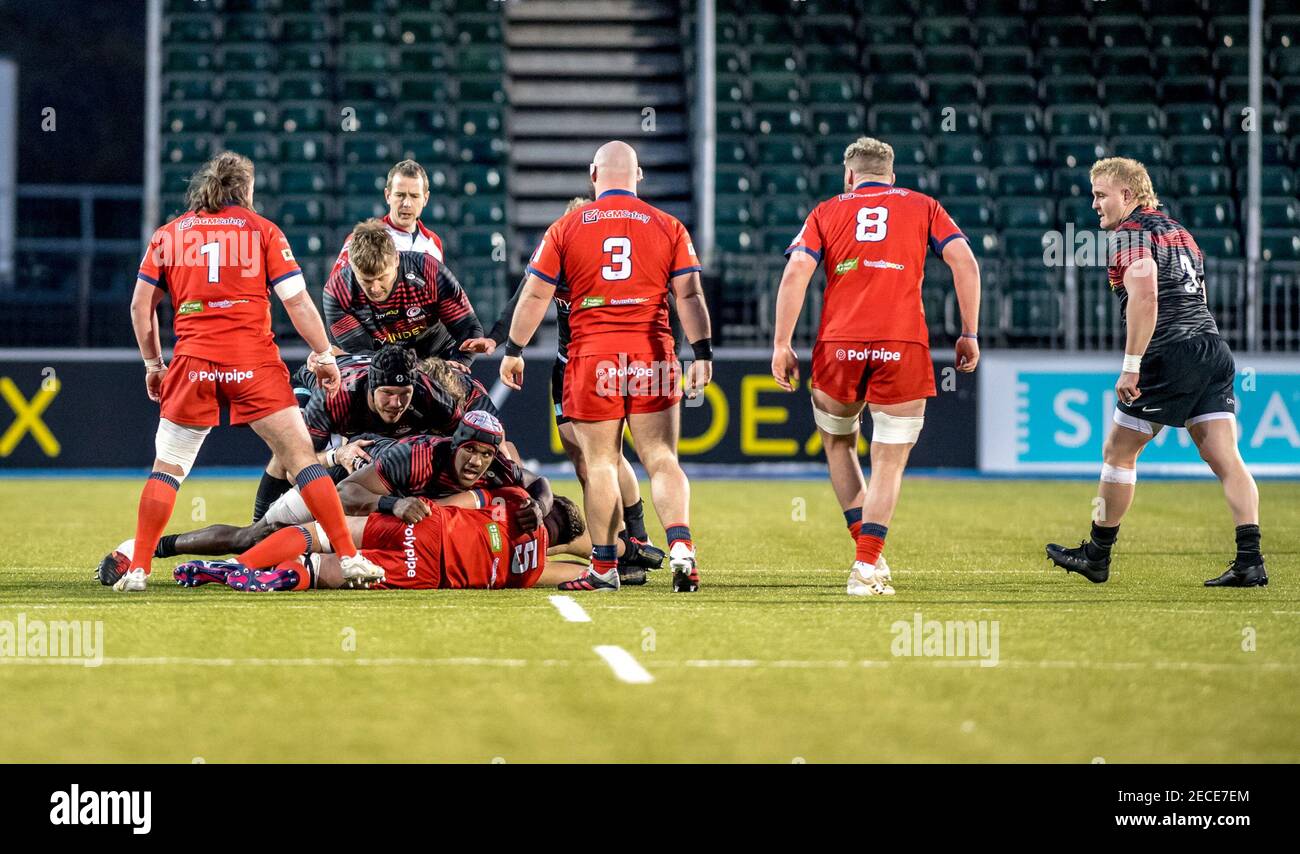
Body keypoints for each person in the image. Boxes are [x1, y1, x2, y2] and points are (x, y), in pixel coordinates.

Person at [100, 150, 384, 591]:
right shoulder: (263, 231)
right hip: (252, 362)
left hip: (192, 363)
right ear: (246, 189)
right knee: (300, 459)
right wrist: (325, 354)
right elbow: (296, 301)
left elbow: (141, 306)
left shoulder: (168, 235)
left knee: (167, 469)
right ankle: (348, 557)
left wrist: (153, 364)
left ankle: (138, 568)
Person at [770, 136, 981, 597]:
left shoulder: (825, 211)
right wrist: (969, 332)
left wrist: (782, 343)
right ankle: (866, 566)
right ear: (892, 175)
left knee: (839, 446)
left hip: (838, 344)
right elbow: (964, 261)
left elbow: (796, 272)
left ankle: (869, 557)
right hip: (901, 342)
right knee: (888, 462)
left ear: (849, 176)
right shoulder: (924, 206)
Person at [500, 141, 713, 592]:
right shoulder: (669, 226)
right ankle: (681, 546)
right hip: (653, 354)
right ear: (639, 176)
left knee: (600, 464)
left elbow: (535, 294)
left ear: (593, 174)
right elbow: (690, 295)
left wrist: (514, 349)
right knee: (662, 458)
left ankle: (603, 567)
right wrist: (703, 353)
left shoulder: (566, 227)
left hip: (593, 357)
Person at [1046, 157, 1266, 588]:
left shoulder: (1130, 234)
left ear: (1127, 194)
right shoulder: (1181, 233)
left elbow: (1145, 295)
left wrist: (1131, 366)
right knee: (1225, 457)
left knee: (1118, 451)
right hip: (1212, 347)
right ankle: (1250, 560)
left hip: (1169, 352)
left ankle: (1097, 555)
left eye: (1101, 195)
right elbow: (1195, 294)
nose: (1094, 205)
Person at [463, 196, 656, 551]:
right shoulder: (556, 254)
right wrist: (496, 339)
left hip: (601, 370)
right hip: (566, 368)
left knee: (605, 456)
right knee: (583, 462)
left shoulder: (611, 267)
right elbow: (523, 300)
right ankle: (617, 543)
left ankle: (636, 536)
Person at [173, 488, 589, 591]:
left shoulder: (516, 501)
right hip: (430, 574)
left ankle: (237, 565)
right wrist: (608, 567)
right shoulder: (533, 569)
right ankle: (285, 576)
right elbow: (573, 573)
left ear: (548, 507)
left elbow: (460, 501)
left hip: (427, 526)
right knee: (322, 570)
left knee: (323, 533)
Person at [322, 219, 482, 363]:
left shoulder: (428, 271)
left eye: (382, 277)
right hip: (379, 363)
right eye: (366, 280)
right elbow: (360, 354)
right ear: (351, 265)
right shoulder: (338, 291)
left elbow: (469, 328)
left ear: (397, 259)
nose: (375, 288)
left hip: (437, 355)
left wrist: (457, 365)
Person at [330, 159, 444, 275]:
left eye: (414, 196)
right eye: (400, 195)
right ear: (388, 196)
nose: (407, 203)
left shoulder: (434, 242)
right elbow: (336, 285)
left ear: (425, 199)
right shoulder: (363, 239)